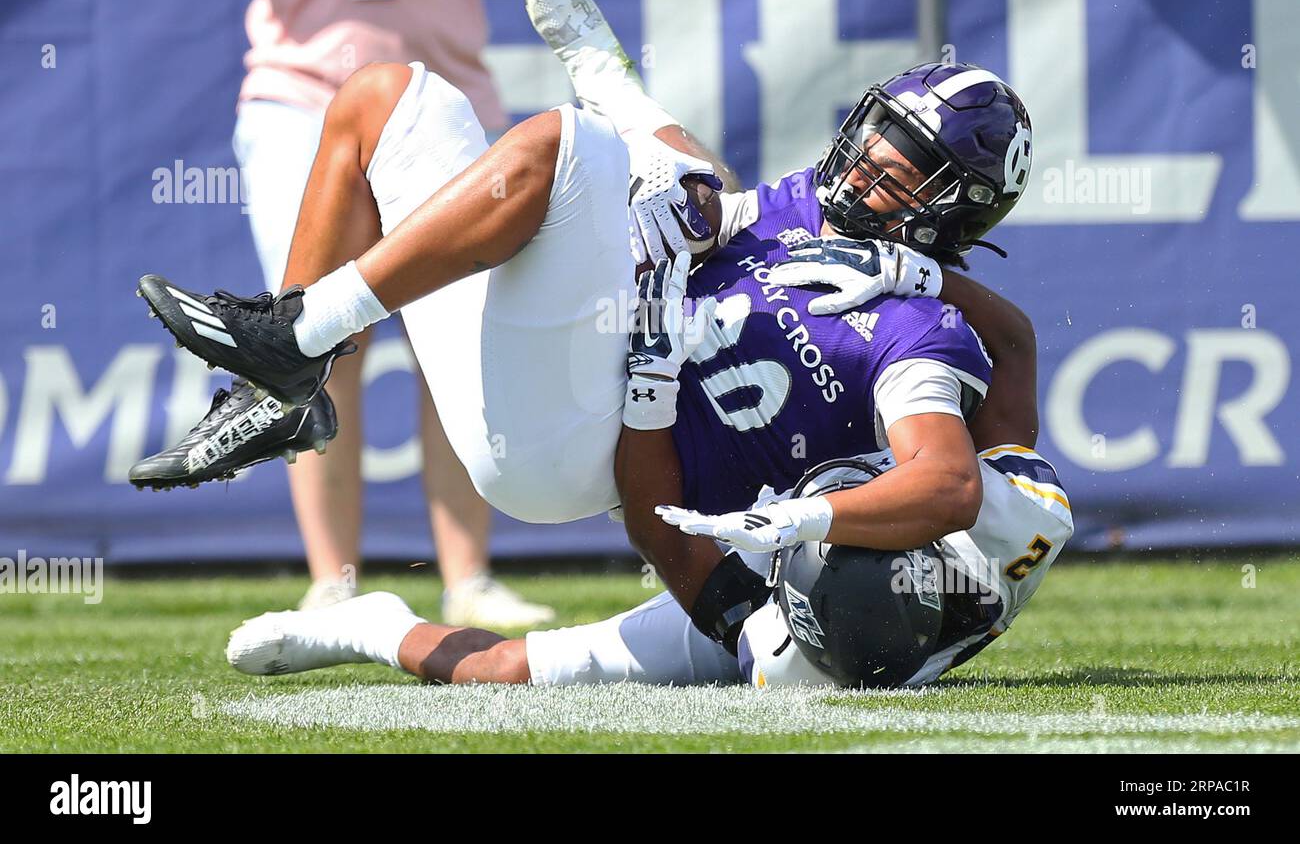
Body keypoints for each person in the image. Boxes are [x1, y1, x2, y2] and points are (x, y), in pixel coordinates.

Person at [134, 0, 1033, 660]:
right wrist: (678, 196)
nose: (874, 159)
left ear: (954, 211)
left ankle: (294, 338)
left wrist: (791, 516)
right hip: (562, 362)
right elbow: (709, 190)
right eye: (882, 131)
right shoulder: (806, 208)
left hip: (583, 440)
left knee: (571, 147)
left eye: (911, 165)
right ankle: (290, 380)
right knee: (384, 97)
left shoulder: (924, 332)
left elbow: (952, 473)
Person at [222, 262, 1072, 689]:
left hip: (768, 606)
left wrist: (652, 390)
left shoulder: (787, 659)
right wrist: (922, 276)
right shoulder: (1024, 518)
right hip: (838, 542)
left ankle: (368, 627)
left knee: (504, 676)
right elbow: (1019, 348)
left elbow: (656, 529)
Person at [168, 0, 554, 626]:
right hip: (301, 106)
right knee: (313, 337)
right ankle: (332, 584)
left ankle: (468, 580)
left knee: (459, 341)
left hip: (443, 102)